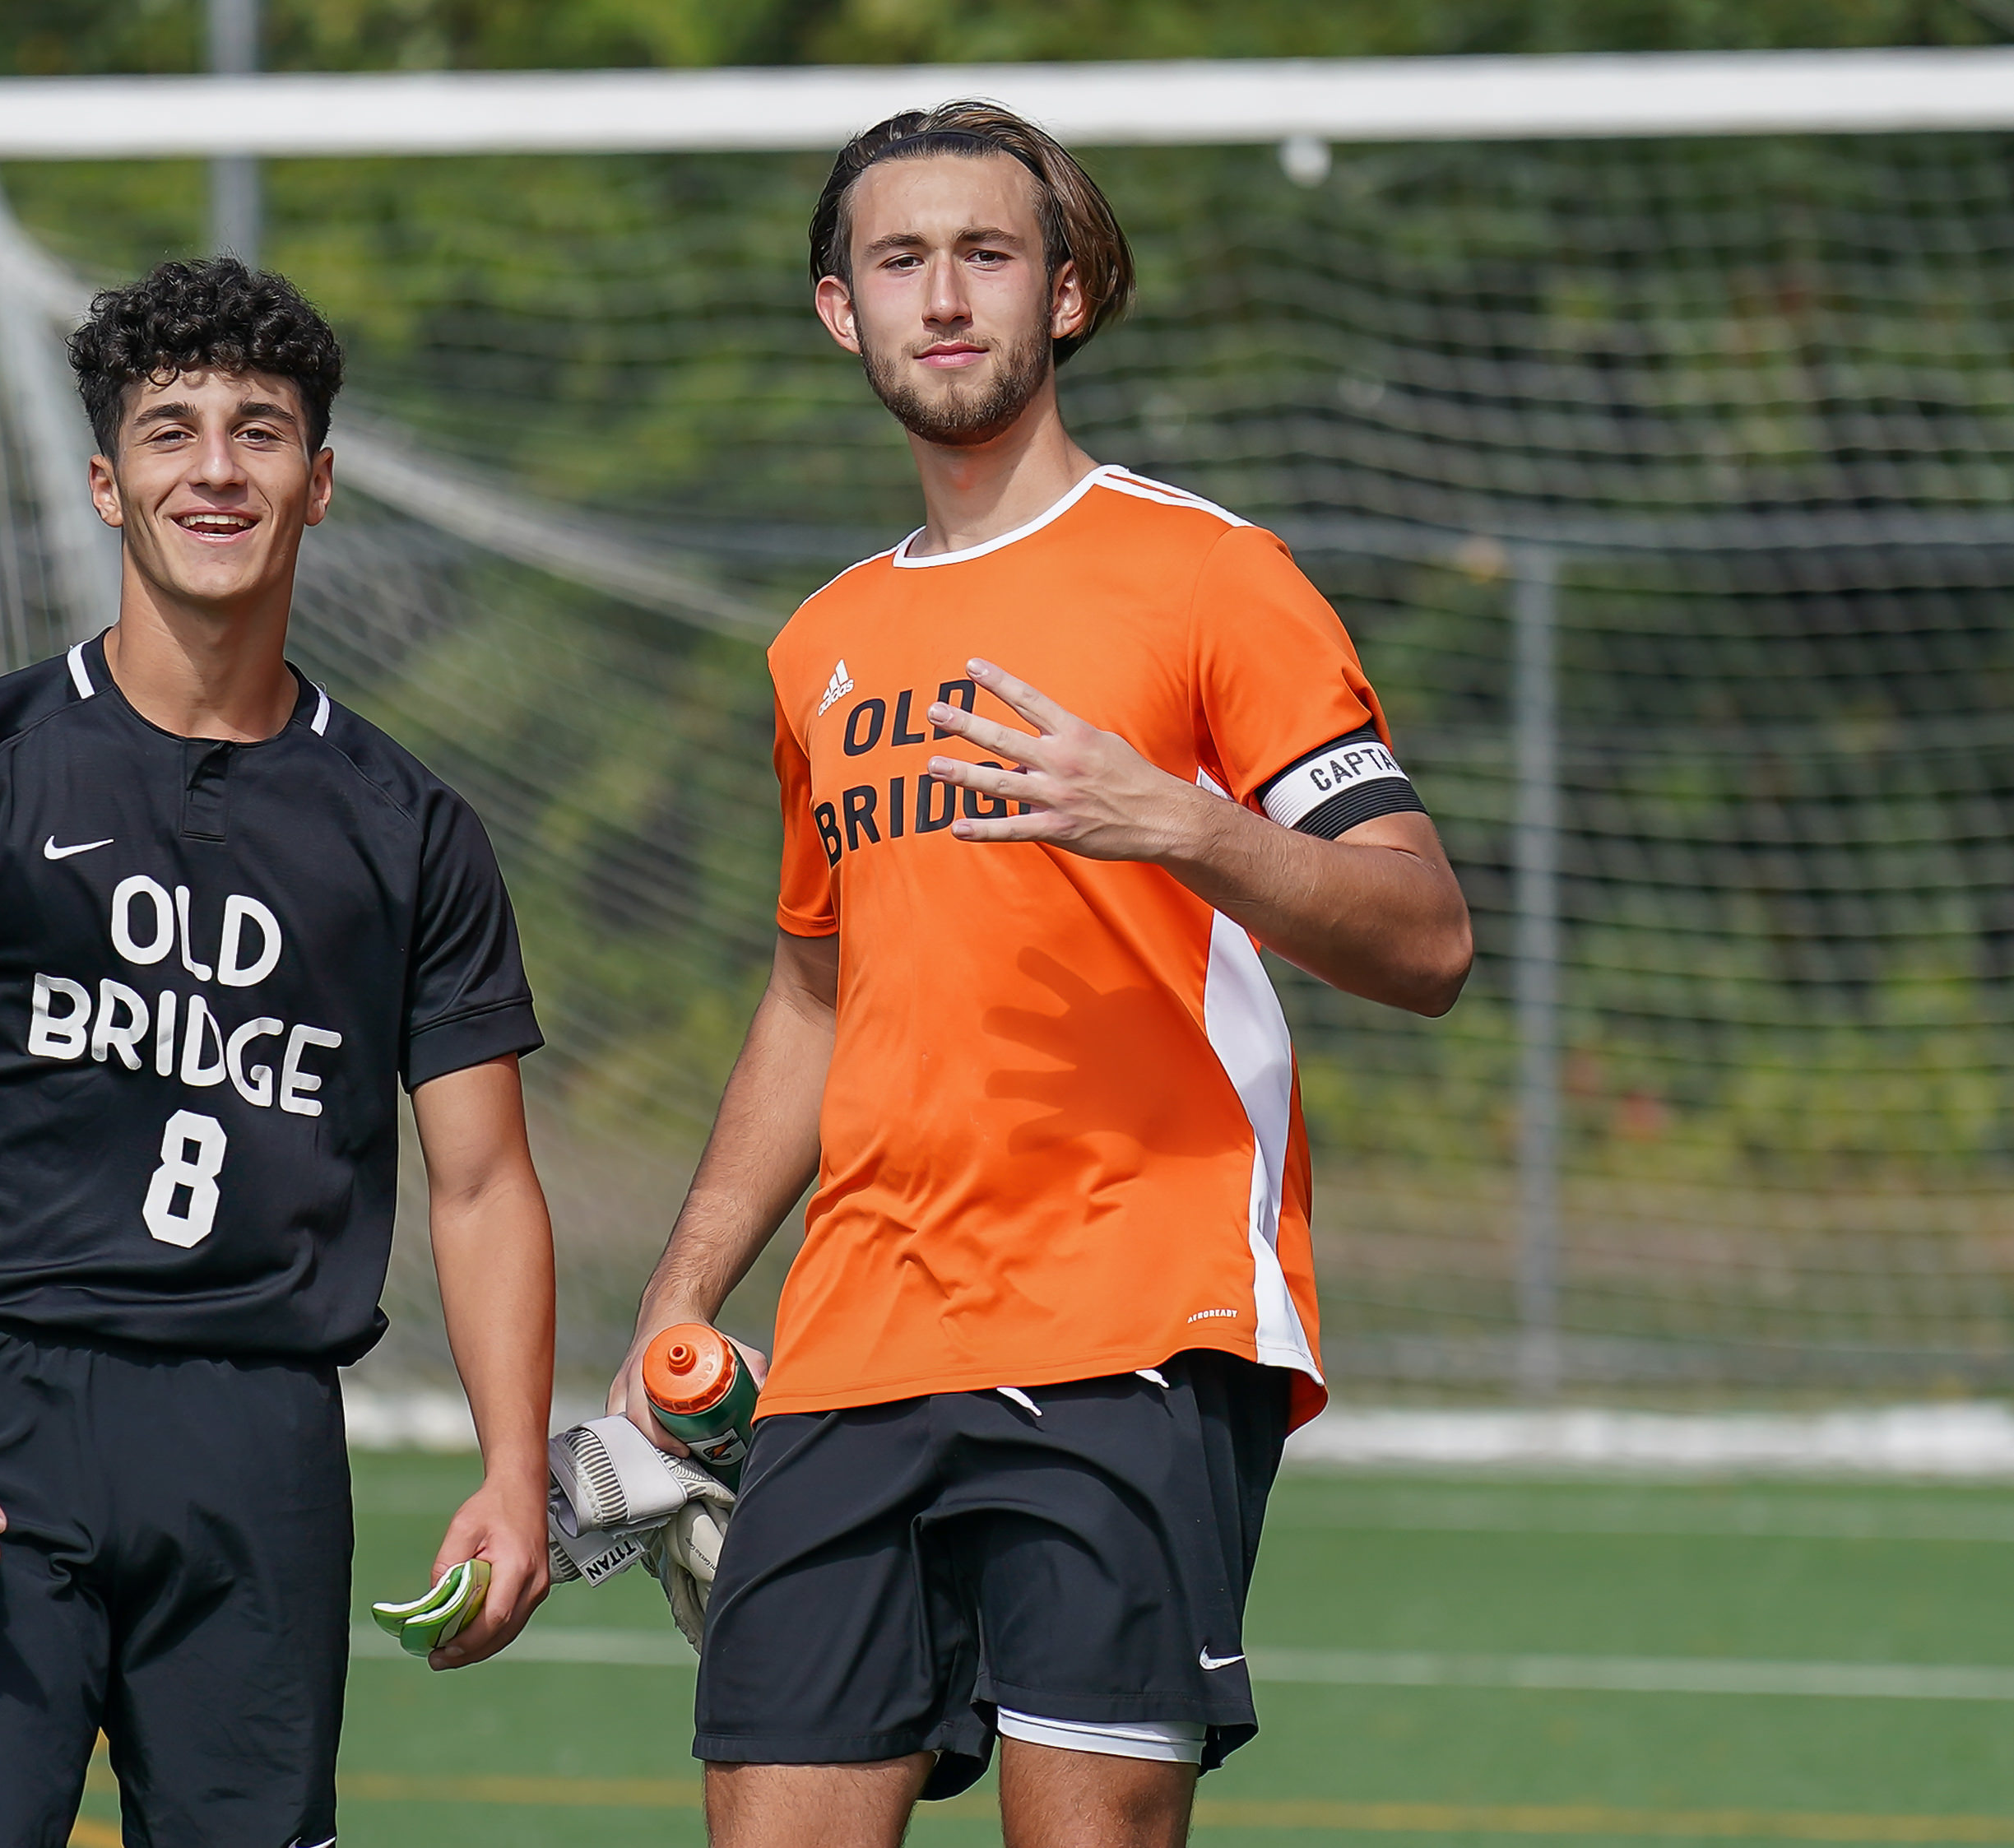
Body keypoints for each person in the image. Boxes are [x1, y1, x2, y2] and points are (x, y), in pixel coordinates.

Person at [609, 103, 1473, 1848]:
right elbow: (809, 996)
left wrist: (1180, 823)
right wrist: (673, 1302)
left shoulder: (1211, 577)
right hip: (853, 1345)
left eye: (985, 255)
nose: (942, 296)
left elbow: (1424, 933)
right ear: (838, 311)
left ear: (1063, 295)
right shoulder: (819, 643)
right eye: (898, 260)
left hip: (1126, 1326)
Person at [0, 257, 555, 1848]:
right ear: (108, 481)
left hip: (257, 1434)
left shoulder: (409, 828)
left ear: (316, 484)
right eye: (172, 430)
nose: (216, 466)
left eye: (259, 431)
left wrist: (514, 1469)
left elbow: (483, 1182)